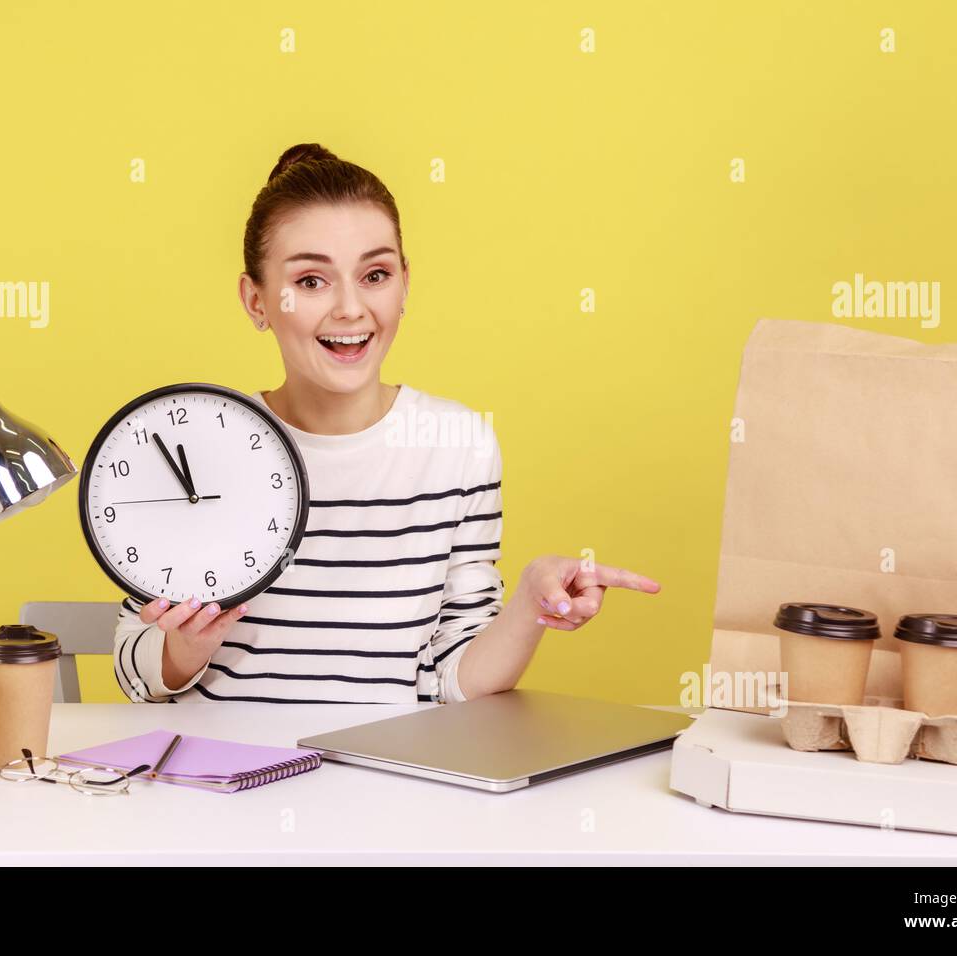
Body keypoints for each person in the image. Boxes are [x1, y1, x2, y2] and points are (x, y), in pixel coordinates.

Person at [113, 143, 660, 704]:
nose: (350, 308)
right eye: (310, 281)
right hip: (218, 779)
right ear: (256, 300)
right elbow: (132, 671)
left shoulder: (458, 445)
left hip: (387, 781)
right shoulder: (196, 443)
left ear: (404, 284)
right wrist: (183, 650)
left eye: (375, 274)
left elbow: (454, 680)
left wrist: (527, 604)